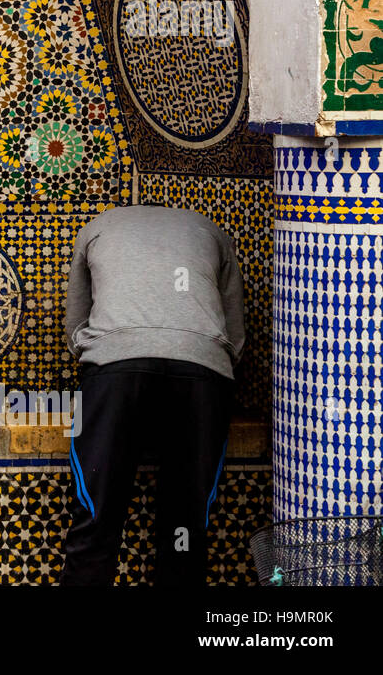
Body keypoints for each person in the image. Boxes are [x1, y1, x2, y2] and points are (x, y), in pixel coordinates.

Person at [61, 204, 245, 586]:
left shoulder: (96, 227)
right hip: (201, 373)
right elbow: (235, 332)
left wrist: (106, 351)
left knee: (96, 513)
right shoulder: (210, 228)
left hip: (117, 372)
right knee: (185, 522)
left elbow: (76, 323)